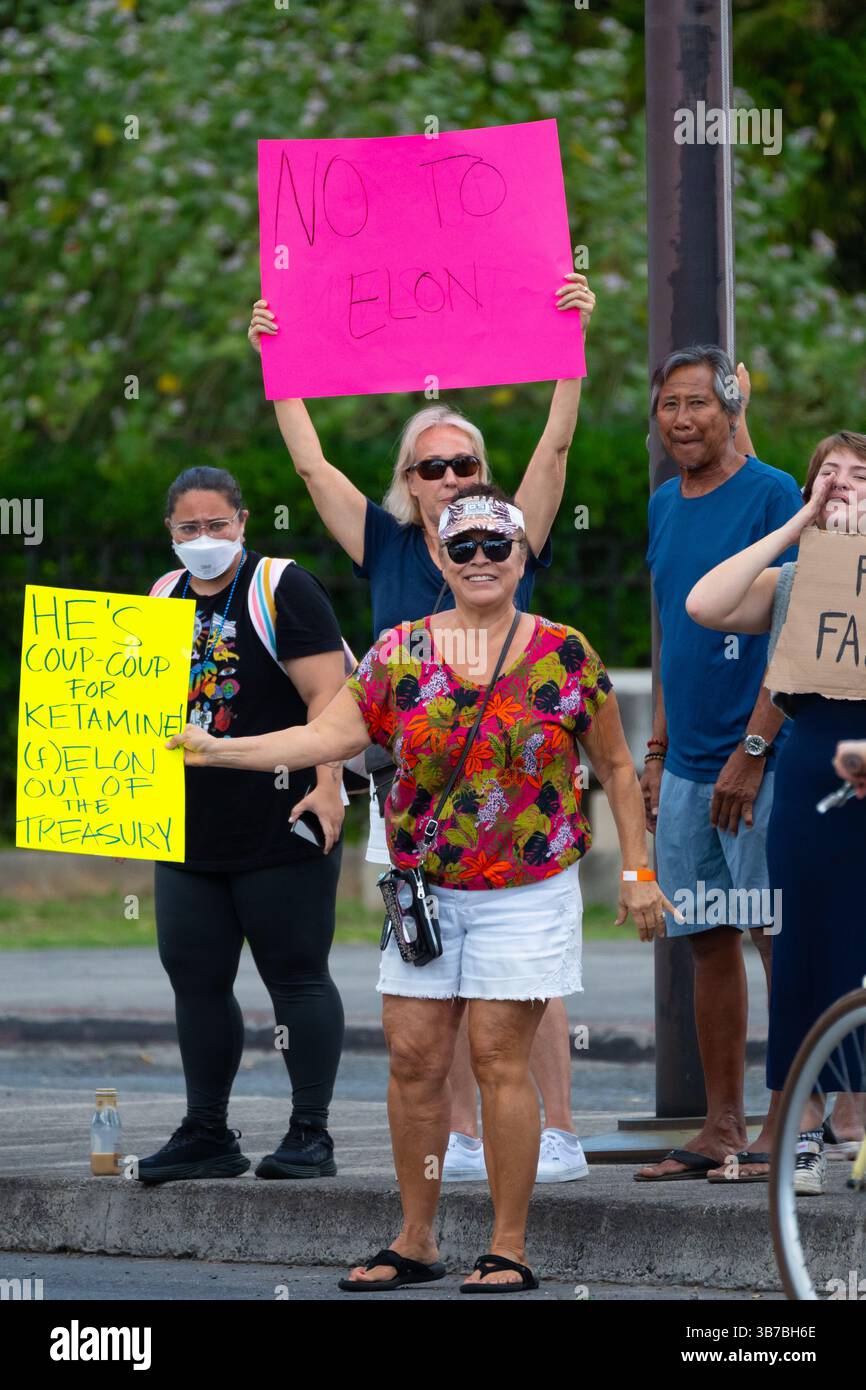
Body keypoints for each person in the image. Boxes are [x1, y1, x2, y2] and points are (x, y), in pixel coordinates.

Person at [168, 484, 676, 1290]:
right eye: (462, 547)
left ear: (520, 557)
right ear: (439, 556)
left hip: (525, 888)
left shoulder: (564, 652)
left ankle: (508, 1245)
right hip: (423, 893)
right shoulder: (398, 651)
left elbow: (615, 765)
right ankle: (417, 1239)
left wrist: (641, 870)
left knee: (497, 1057)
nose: (479, 560)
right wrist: (220, 751)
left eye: (495, 546)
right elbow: (324, 733)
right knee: (412, 1058)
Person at [248, 275, 597, 1183]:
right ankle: (467, 1145)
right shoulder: (388, 542)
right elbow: (312, 469)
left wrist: (570, 344)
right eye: (431, 468)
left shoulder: (512, 530)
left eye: (464, 466)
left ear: (485, 476)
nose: (450, 482)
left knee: (526, 983)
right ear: (408, 482)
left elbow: (557, 444)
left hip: (514, 803)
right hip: (414, 803)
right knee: (423, 971)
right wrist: (277, 362)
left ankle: (554, 1130)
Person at [136, 466, 349, 1184]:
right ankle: (207, 1132)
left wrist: (327, 789)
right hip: (188, 831)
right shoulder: (161, 598)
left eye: (217, 525)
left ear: (244, 521)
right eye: (189, 528)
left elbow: (330, 698)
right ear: (170, 533)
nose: (204, 539)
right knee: (195, 978)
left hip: (280, 817)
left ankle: (310, 1133)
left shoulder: (281, 587)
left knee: (295, 976)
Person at [636, 346, 803, 1183]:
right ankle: (723, 1127)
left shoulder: (776, 495)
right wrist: (660, 749)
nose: (683, 420)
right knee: (706, 938)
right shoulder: (665, 503)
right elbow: (674, 633)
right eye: (669, 405)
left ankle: (793, 1118)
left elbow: (797, 636)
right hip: (689, 769)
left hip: (760, 766)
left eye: (698, 402)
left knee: (779, 936)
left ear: (732, 406)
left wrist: (754, 749)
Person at [686, 432, 866, 1191]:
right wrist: (799, 527)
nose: (841, 484)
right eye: (827, 473)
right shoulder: (796, 578)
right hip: (811, 775)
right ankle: (814, 1119)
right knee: (809, 945)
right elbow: (705, 602)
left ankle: (857, 1118)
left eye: (859, 475)